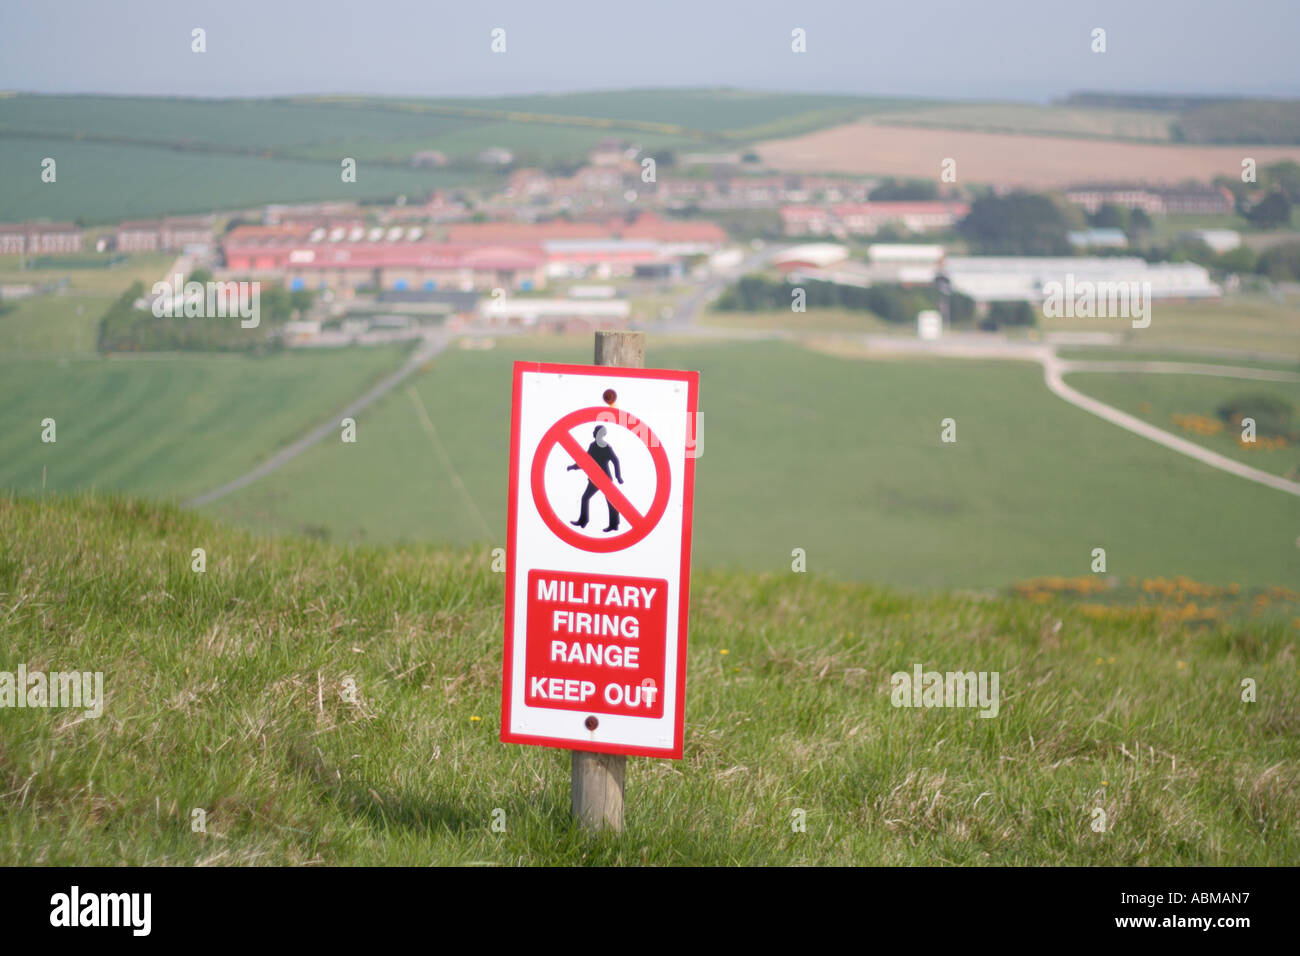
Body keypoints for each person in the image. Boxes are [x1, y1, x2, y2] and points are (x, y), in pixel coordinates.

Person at [568, 425, 624, 532]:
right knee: (585, 498)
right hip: (594, 479)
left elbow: (615, 461)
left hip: (605, 479)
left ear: (601, 433)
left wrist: (618, 476)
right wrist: (574, 467)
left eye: (597, 431)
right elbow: (585, 460)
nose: (594, 433)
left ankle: (614, 524)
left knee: (611, 501)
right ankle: (583, 521)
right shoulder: (592, 446)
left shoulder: (607, 447)